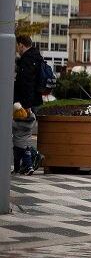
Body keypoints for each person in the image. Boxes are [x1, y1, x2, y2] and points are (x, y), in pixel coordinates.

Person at [12, 35, 44, 175]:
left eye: (17, 46)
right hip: (33, 100)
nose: (17, 49)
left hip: (27, 103)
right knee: (24, 135)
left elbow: (27, 84)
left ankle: (33, 157)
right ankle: (26, 164)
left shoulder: (28, 60)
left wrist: (26, 105)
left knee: (21, 134)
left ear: (21, 45)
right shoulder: (36, 56)